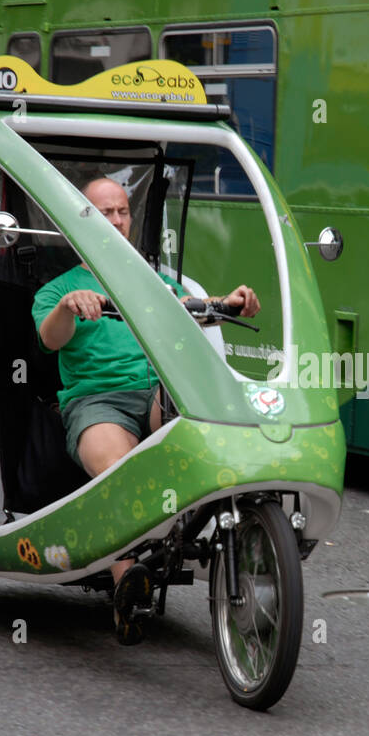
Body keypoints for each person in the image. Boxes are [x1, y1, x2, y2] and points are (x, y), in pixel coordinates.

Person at [32, 176, 259, 630]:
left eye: (122, 211)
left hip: (154, 395)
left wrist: (228, 303)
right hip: (96, 404)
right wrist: (69, 308)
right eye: (104, 213)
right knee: (119, 469)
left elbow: (192, 306)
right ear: (81, 222)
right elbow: (50, 338)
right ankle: (128, 586)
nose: (116, 221)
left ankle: (232, 515)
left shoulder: (154, 281)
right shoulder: (58, 291)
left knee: (199, 403)